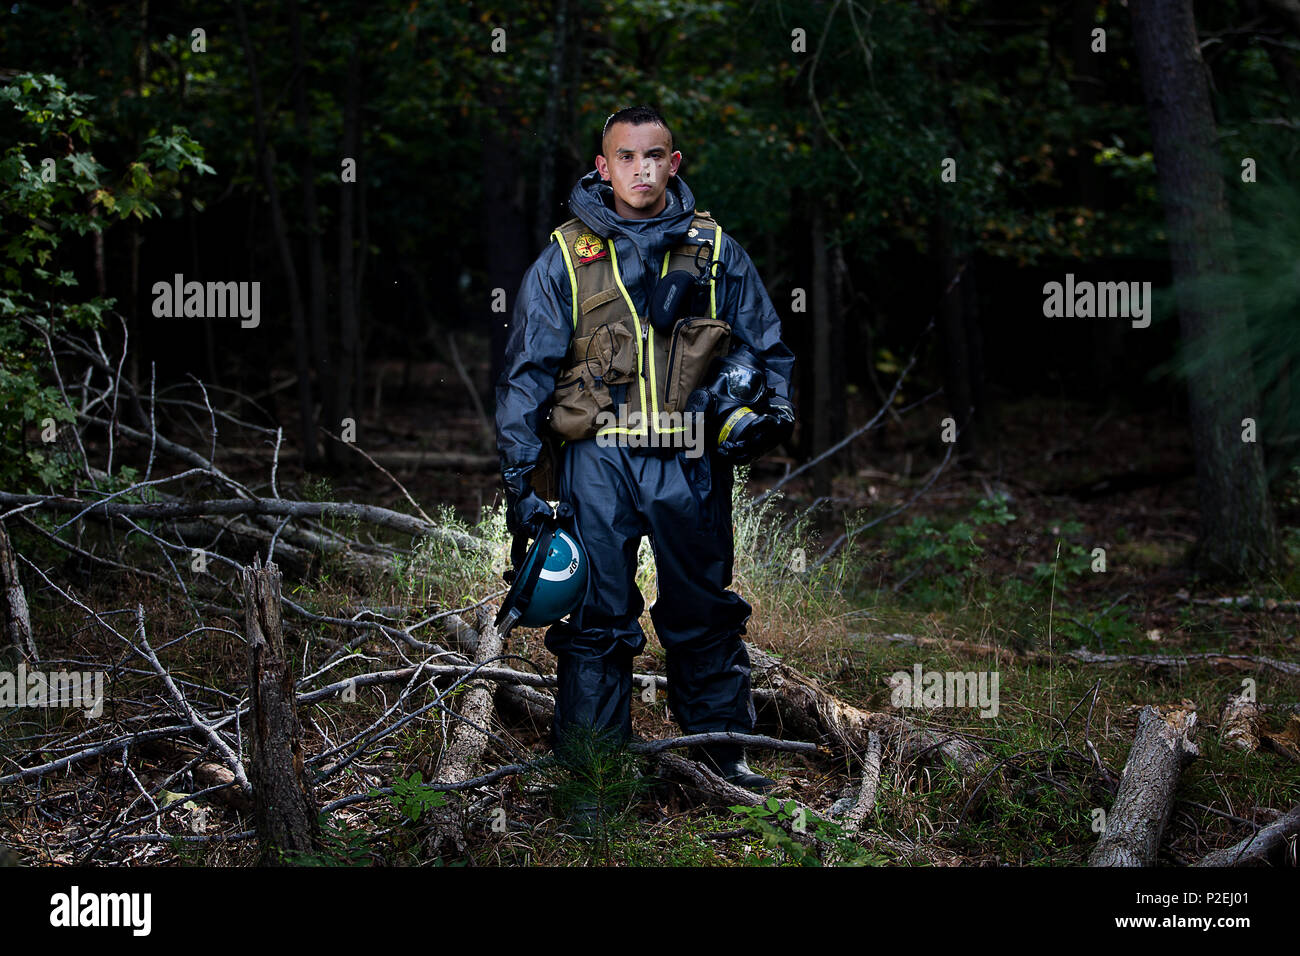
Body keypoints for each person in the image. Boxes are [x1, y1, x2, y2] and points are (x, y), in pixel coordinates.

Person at [494, 106, 795, 793]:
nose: (641, 169)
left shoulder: (716, 250)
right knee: (597, 619)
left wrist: (762, 410)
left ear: (674, 163)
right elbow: (526, 374)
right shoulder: (566, 257)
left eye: (654, 156)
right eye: (626, 157)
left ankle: (725, 761)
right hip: (598, 464)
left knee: (704, 611)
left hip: (692, 462)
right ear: (604, 167)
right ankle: (594, 777)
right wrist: (520, 483)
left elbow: (766, 347)